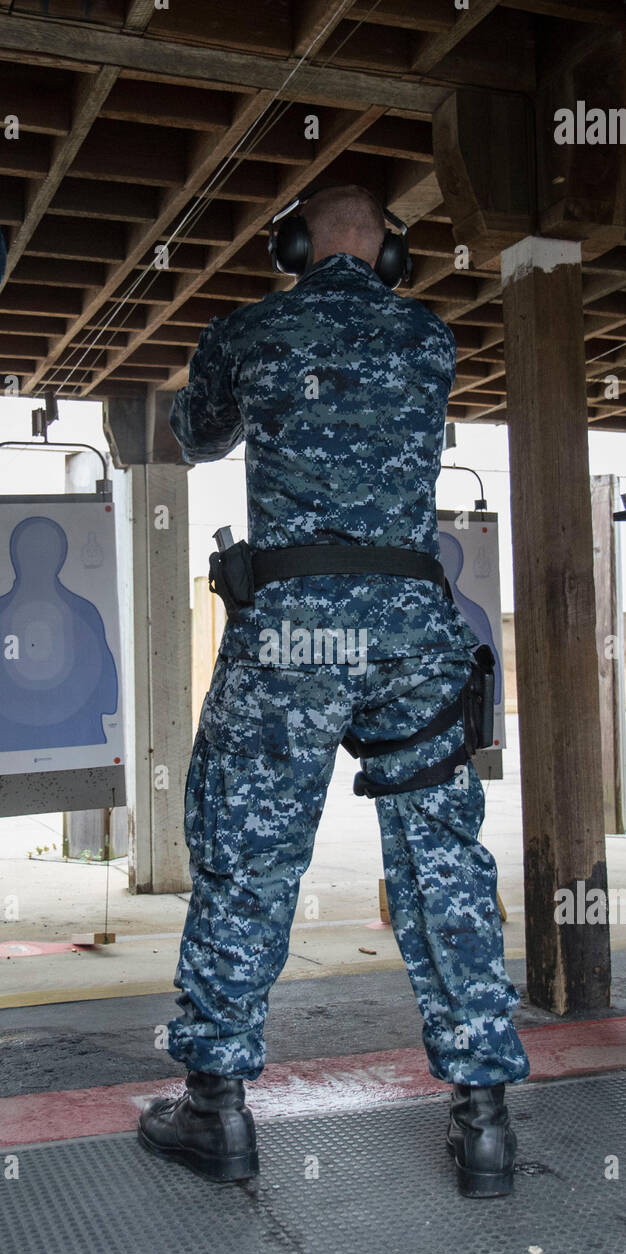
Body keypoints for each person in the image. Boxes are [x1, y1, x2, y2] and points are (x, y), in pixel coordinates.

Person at [138, 185, 529, 1197]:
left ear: (291, 244)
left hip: (295, 630)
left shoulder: (248, 331)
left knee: (247, 858)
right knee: (440, 862)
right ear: (391, 255)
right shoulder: (430, 339)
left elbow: (194, 434)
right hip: (412, 632)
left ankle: (217, 1110)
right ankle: (483, 1118)